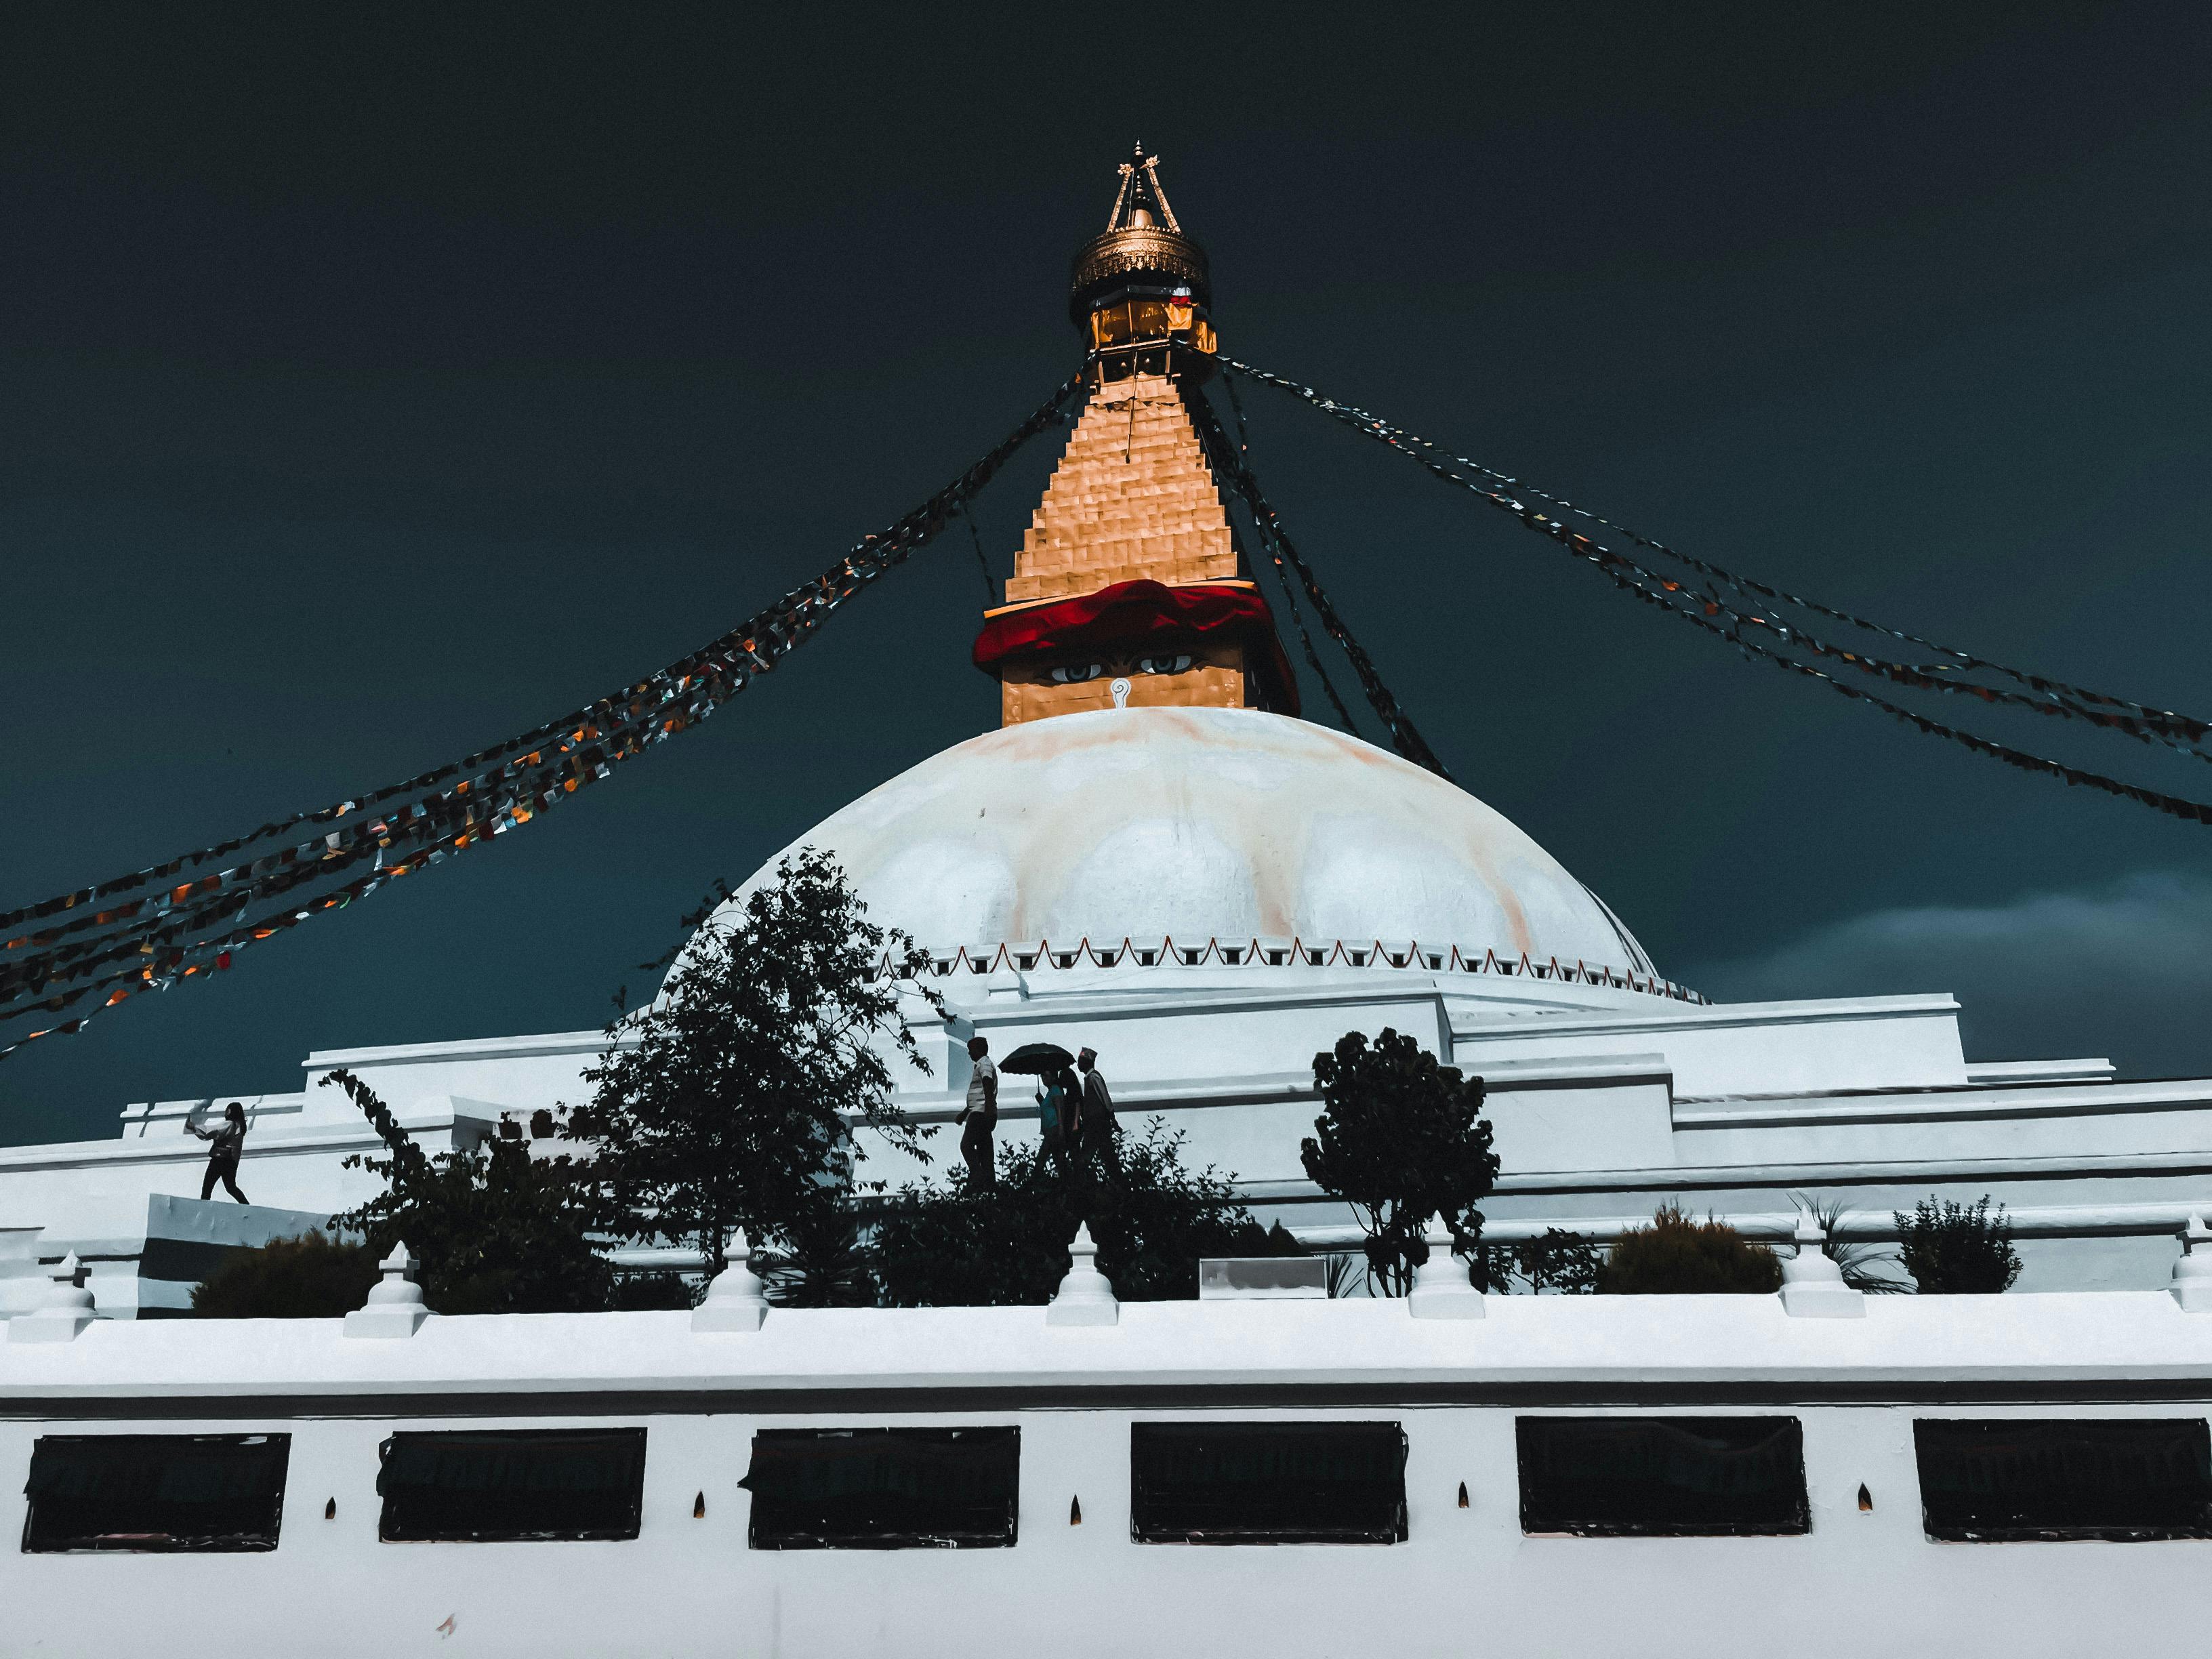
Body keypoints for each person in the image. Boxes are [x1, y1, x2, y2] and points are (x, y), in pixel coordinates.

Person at [954, 1036, 999, 1191]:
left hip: (980, 1114)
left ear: (978, 1050)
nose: (969, 1054)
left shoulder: (984, 1064)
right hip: (980, 1111)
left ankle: (978, 1176)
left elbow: (987, 1085)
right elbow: (979, 1094)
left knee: (966, 1146)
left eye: (971, 1050)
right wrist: (965, 1113)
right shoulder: (982, 1065)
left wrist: (989, 1111)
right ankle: (989, 1184)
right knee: (985, 1151)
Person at [188, 1101, 250, 1204]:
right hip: (231, 1162)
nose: (225, 1112)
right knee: (231, 1187)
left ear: (231, 1112)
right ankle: (245, 1205)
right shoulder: (240, 1127)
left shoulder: (230, 1124)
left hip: (220, 1159)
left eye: (228, 1110)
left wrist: (193, 1127)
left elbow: (211, 1131)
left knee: (207, 1187)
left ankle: (204, 1206)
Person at [1077, 1046, 1119, 1170]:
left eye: (1080, 1062)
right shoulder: (1089, 1078)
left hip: (1097, 1124)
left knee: (1098, 1153)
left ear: (1087, 1063)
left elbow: (1104, 1097)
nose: (1078, 1065)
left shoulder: (1093, 1078)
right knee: (1105, 1153)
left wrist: (1111, 1115)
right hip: (1094, 1123)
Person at [1038, 1065, 1078, 1175]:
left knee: (1041, 1161)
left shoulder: (1055, 1089)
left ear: (1053, 1077)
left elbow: (1060, 1110)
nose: (1043, 1078)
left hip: (1053, 1130)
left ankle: (1038, 1185)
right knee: (1059, 1161)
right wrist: (1041, 1101)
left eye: (1046, 1075)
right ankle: (1069, 1183)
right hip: (1051, 1130)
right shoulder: (1051, 1091)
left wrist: (1061, 1129)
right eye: (1042, 1076)